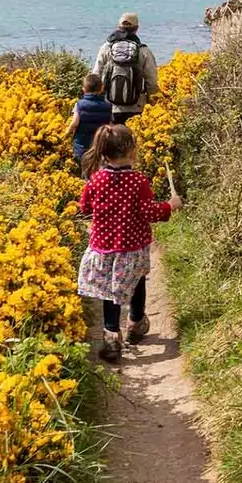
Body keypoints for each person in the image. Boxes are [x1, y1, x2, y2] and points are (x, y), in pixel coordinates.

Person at [77, 124, 181, 361]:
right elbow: (148, 213)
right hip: (131, 247)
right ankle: (135, 323)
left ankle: (111, 337)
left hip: (103, 245)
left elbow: (85, 207)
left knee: (108, 291)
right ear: (132, 151)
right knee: (136, 282)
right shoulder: (138, 181)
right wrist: (170, 206)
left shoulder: (96, 179)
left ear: (104, 151)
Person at [90, 12, 158, 125]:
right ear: (136, 29)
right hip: (136, 106)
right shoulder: (143, 50)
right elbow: (152, 81)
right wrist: (152, 103)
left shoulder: (106, 48)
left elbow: (96, 75)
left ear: (118, 27)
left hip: (111, 106)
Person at [64, 73, 113, 168]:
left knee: (84, 167)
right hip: (100, 143)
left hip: (82, 144)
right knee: (99, 167)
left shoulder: (80, 104)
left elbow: (74, 123)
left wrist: (66, 134)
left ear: (84, 89)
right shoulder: (108, 106)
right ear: (102, 88)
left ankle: (86, 182)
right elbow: (110, 124)